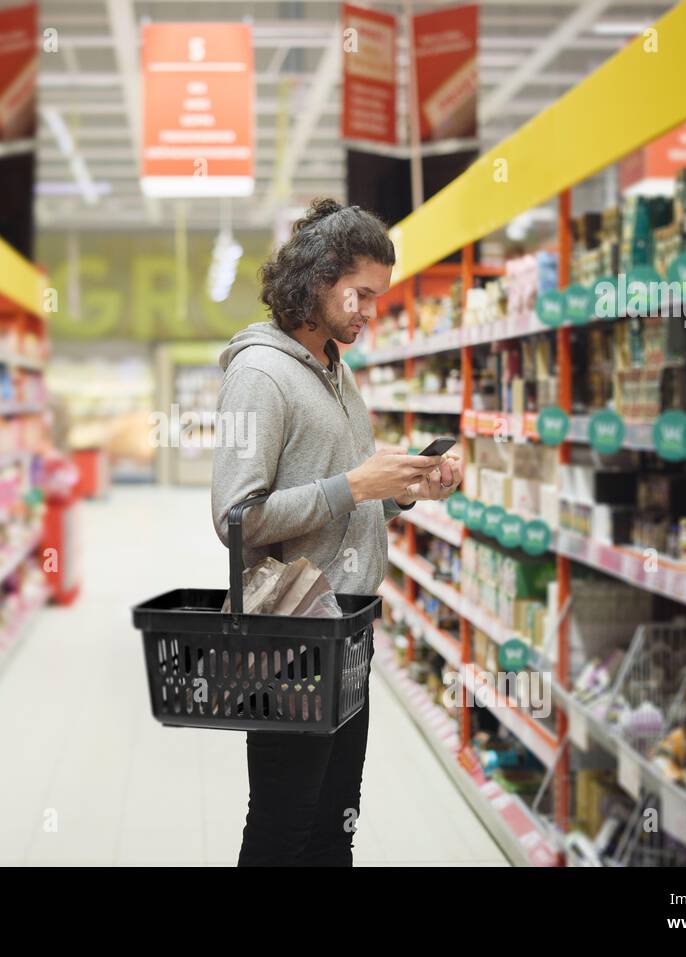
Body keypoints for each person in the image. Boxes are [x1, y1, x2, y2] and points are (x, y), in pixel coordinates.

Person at [210, 198, 464, 867]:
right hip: (288, 635)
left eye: (376, 298)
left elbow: (345, 502)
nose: (368, 312)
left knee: (333, 826)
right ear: (317, 277)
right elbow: (236, 519)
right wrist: (357, 484)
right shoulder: (259, 375)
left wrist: (405, 488)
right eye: (360, 293)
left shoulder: (335, 371)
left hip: (346, 628)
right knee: (283, 830)